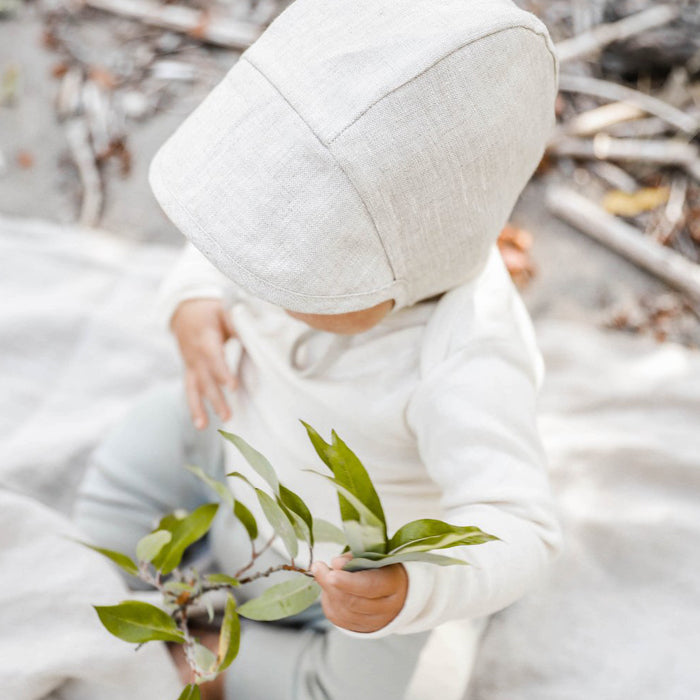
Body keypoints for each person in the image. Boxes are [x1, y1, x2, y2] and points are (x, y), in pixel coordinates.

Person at [74, 0, 562, 698]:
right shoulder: (270, 238)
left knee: (395, 684)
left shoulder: (466, 365)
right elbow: (229, 239)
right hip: (234, 446)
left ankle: (224, 655)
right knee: (143, 441)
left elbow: (523, 525)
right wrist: (193, 300)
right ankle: (153, 590)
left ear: (415, 260)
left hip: (346, 581)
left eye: (303, 270)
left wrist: (409, 589)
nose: (256, 276)